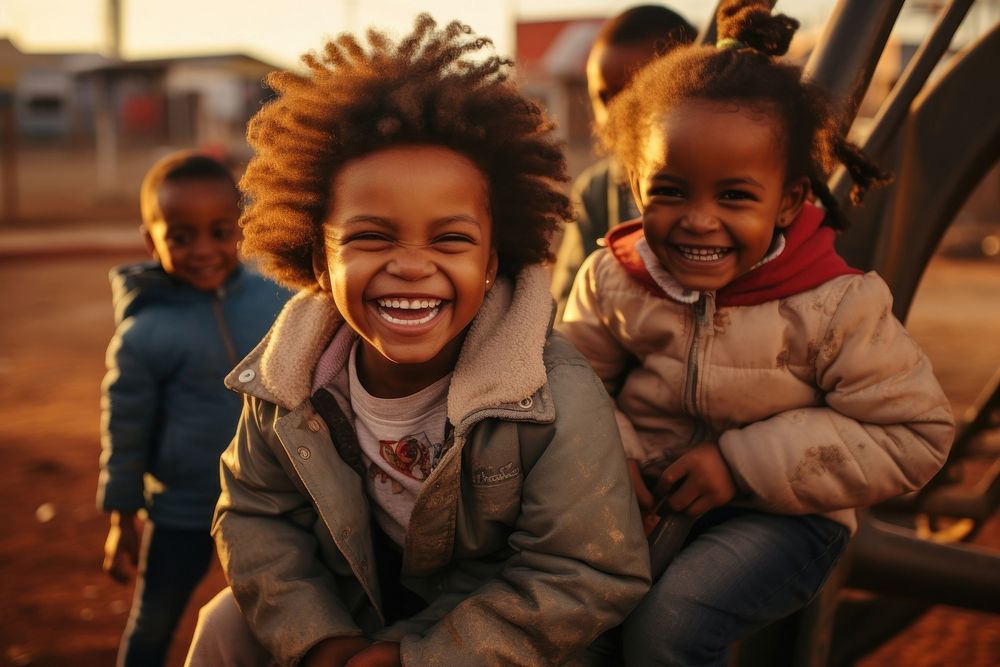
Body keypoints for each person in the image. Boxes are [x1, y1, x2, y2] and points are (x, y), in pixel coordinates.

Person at [184, 15, 650, 667]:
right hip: (356, 607)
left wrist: (417, 657)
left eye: (451, 240)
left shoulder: (550, 394)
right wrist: (320, 638)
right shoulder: (287, 381)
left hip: (492, 635)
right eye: (371, 236)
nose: (411, 264)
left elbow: (584, 572)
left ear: (493, 261)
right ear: (319, 260)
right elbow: (256, 517)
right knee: (224, 624)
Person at [557, 1, 956, 664]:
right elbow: (569, 382)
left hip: (785, 516)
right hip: (648, 495)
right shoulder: (615, 278)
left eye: (735, 196)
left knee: (671, 627)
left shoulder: (834, 306)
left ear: (791, 200)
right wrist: (609, 454)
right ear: (636, 184)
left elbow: (916, 434)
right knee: (572, 621)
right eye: (671, 191)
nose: (698, 221)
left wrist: (738, 466)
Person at [97, 150, 292, 667]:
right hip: (182, 508)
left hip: (273, 502)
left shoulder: (277, 298)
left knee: (286, 615)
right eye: (180, 236)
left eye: (219, 231)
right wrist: (122, 514)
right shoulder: (143, 334)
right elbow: (126, 429)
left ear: (241, 230)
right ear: (150, 240)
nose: (202, 249)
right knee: (153, 623)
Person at [550, 5, 696, 316]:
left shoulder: (737, 177)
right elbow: (568, 311)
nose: (617, 115)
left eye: (635, 94)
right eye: (604, 98)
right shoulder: (597, 191)